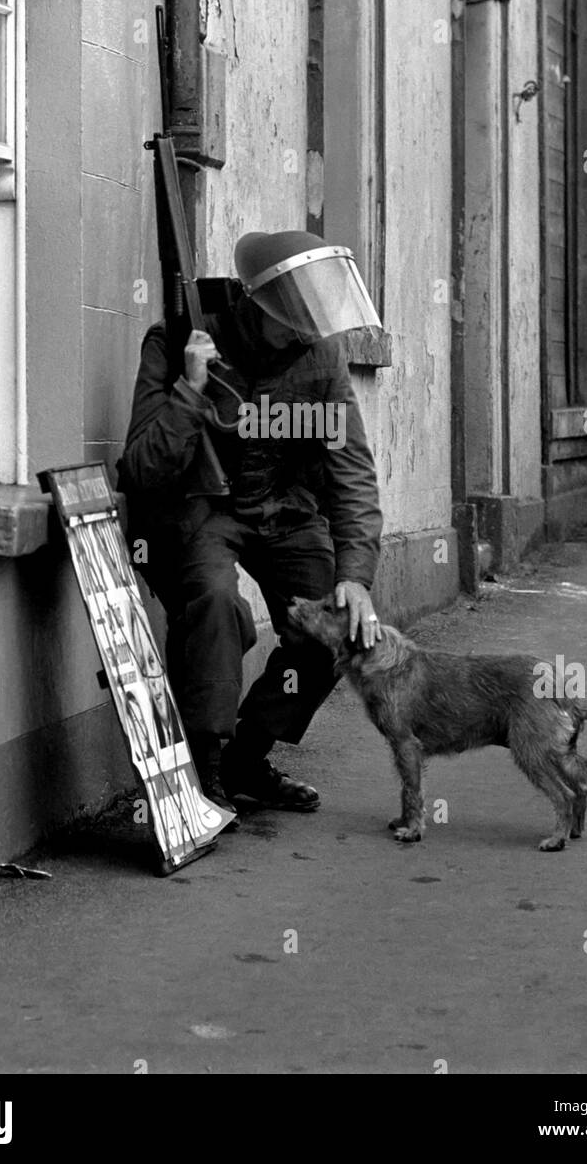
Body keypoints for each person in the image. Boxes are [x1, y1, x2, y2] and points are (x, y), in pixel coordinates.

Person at [118, 230, 383, 822]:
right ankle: (204, 769)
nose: (304, 330)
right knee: (215, 604)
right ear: (255, 305)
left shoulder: (320, 358)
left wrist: (356, 574)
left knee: (336, 625)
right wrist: (190, 388)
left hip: (283, 511)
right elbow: (141, 467)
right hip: (205, 510)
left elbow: (351, 474)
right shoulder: (176, 341)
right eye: (292, 318)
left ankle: (248, 757)